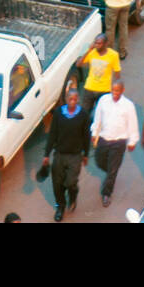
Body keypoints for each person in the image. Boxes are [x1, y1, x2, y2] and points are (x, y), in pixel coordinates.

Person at [42, 87, 91, 221]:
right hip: (60, 154)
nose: (72, 102)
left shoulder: (83, 115)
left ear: (78, 100)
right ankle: (60, 207)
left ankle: (73, 195)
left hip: (75, 156)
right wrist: (46, 154)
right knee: (57, 184)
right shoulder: (58, 113)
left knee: (70, 183)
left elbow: (86, 136)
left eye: (75, 99)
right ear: (66, 99)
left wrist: (86, 154)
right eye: (70, 99)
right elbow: (52, 135)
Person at [91, 79, 139, 207]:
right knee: (99, 161)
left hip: (119, 141)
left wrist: (132, 141)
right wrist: (94, 132)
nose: (115, 93)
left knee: (112, 169)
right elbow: (98, 118)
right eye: (113, 90)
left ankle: (107, 193)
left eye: (117, 90)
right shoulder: (103, 101)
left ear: (122, 90)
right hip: (104, 138)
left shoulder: (128, 106)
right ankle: (110, 172)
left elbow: (132, 124)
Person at [80, 33, 121, 112]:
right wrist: (89, 50)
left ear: (106, 44)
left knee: (102, 113)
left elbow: (117, 74)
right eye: (95, 43)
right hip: (89, 88)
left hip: (104, 90)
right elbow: (79, 64)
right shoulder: (92, 52)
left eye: (99, 43)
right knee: (84, 113)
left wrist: (115, 90)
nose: (96, 45)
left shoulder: (113, 55)